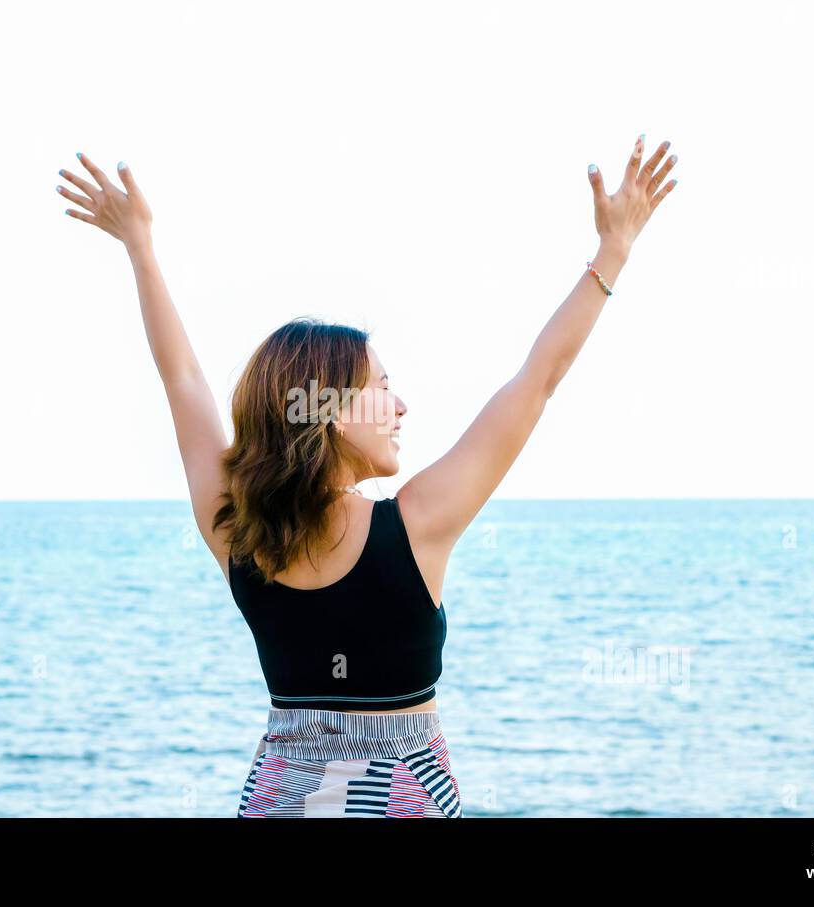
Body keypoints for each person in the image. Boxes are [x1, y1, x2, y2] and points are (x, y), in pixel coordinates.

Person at [56, 135, 679, 817]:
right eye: (383, 387)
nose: (403, 404)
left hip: (278, 799)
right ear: (330, 411)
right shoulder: (416, 525)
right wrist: (614, 250)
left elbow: (183, 383)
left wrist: (140, 248)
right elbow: (537, 382)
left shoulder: (236, 531)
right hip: (399, 799)